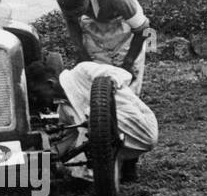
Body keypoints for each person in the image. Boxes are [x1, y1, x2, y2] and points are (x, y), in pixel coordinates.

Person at [26, 58, 157, 182]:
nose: (36, 99)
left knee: (91, 116)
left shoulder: (82, 71)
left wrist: (104, 92)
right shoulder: (64, 110)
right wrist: (44, 156)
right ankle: (110, 173)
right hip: (118, 140)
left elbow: (122, 74)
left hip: (139, 122)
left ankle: (93, 173)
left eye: (37, 93)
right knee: (83, 133)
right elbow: (65, 140)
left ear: (50, 84)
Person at [55, 0, 151, 95]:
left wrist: (128, 62)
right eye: (71, 14)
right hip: (93, 21)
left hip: (121, 21)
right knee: (94, 75)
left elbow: (143, 29)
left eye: (78, 12)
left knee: (127, 84)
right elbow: (72, 23)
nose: (75, 16)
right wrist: (82, 53)